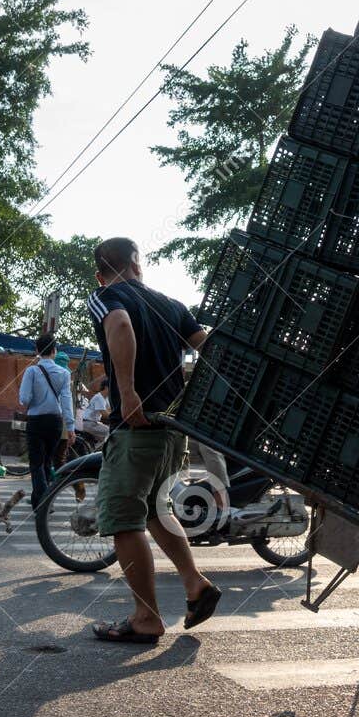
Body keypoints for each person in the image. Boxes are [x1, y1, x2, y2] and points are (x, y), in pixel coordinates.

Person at [84, 236, 218, 644]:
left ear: (101, 272)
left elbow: (121, 325)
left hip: (137, 429)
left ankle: (146, 617)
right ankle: (195, 583)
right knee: (158, 512)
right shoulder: (173, 305)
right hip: (171, 432)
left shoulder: (105, 296)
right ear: (138, 265)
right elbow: (211, 348)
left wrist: (127, 393)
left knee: (124, 520)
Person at [18, 333, 76, 508]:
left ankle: (44, 502)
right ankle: (39, 500)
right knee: (47, 462)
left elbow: (24, 399)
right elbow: (67, 401)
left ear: (37, 350)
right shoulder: (65, 373)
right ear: (54, 350)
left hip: (36, 421)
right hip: (56, 422)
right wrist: (71, 427)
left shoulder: (32, 371)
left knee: (36, 463)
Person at [79, 374, 110, 444]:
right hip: (88, 423)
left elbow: (109, 410)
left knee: (105, 434)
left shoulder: (105, 398)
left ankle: (98, 448)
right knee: (110, 432)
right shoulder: (99, 397)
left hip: (93, 423)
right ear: (106, 387)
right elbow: (104, 414)